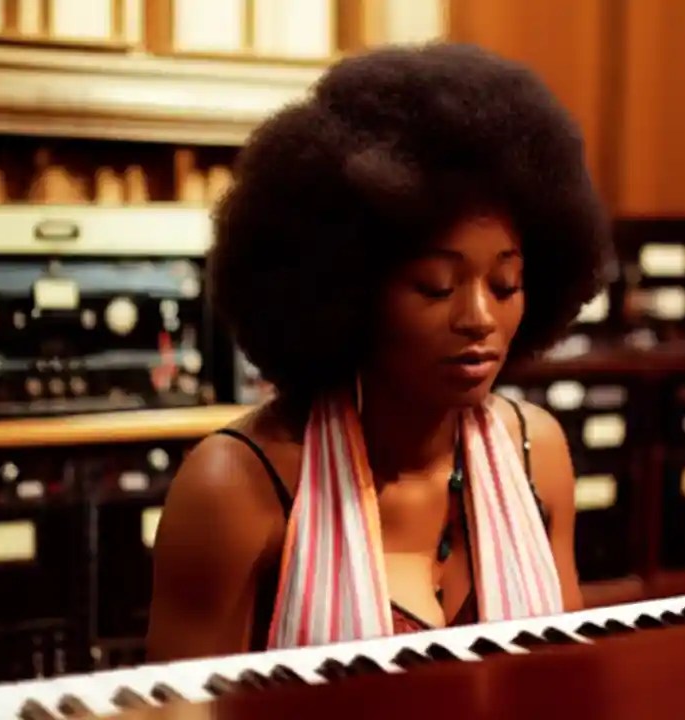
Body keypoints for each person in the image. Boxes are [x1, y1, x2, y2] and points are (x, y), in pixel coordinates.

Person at [146, 42, 611, 660]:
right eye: (436, 287)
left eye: (506, 285)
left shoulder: (537, 454)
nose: (479, 319)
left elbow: (563, 683)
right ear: (349, 288)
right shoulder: (235, 488)